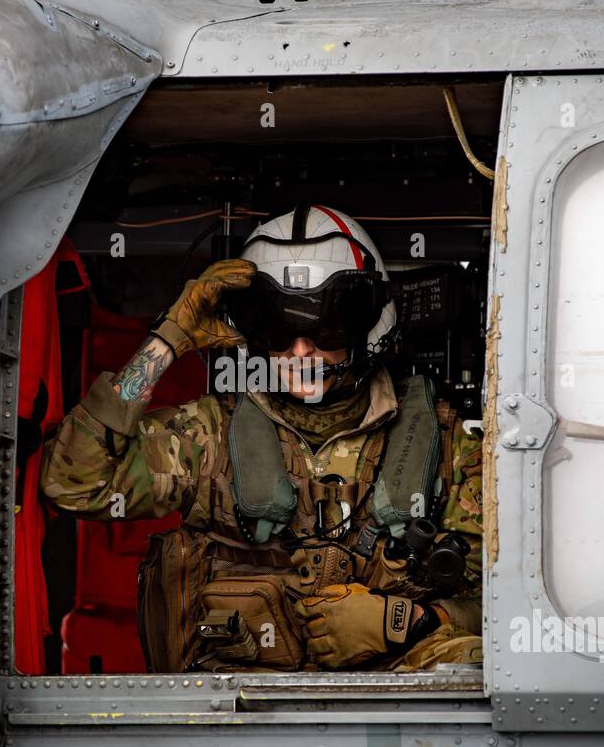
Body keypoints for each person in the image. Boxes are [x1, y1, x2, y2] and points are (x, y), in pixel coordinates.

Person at [42, 204, 483, 672]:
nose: (299, 351)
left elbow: (508, 605)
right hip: (234, 712)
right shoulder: (206, 437)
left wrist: (409, 622)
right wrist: (167, 342)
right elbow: (74, 484)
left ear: (369, 325)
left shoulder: (448, 449)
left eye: (326, 324)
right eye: (279, 327)